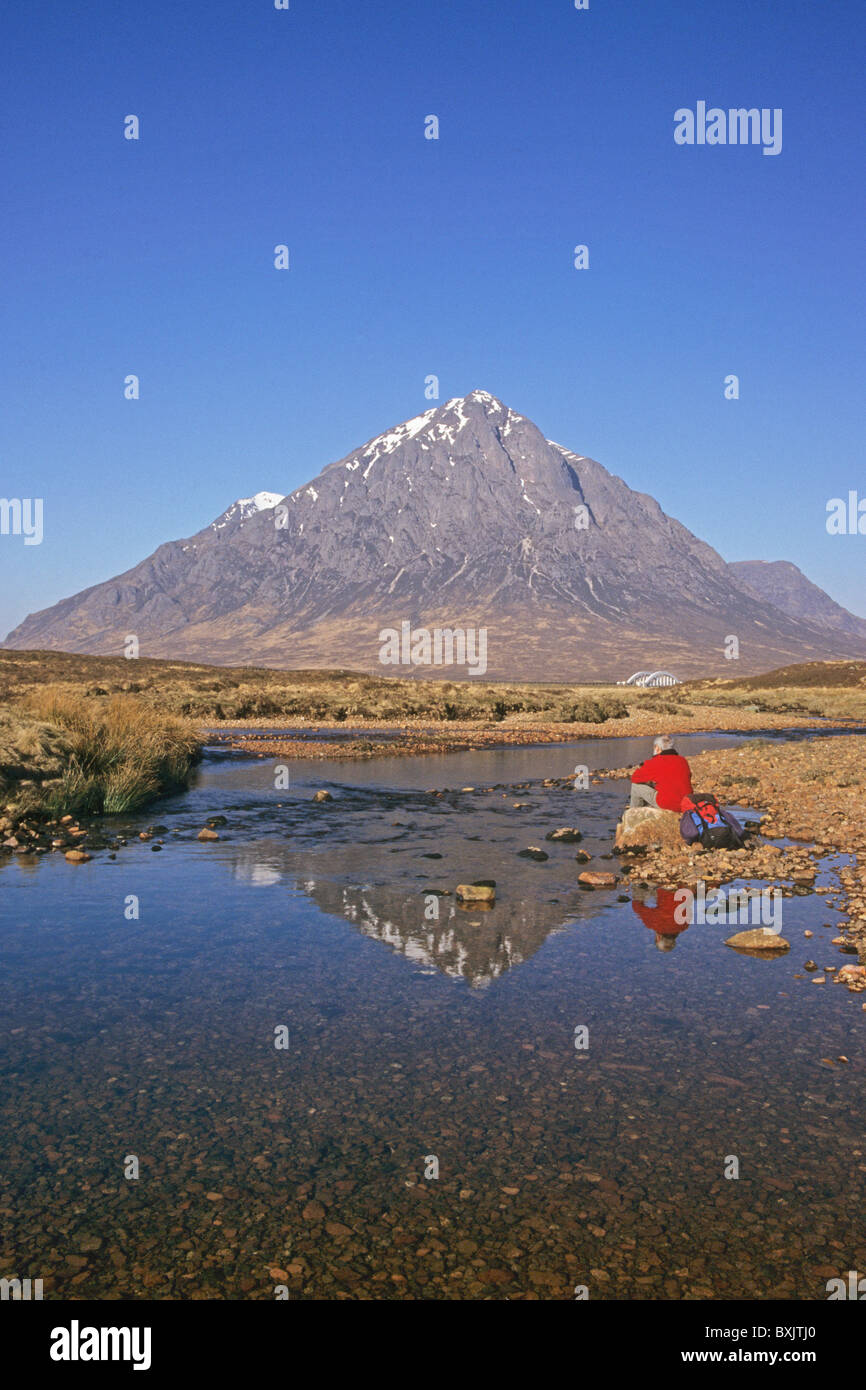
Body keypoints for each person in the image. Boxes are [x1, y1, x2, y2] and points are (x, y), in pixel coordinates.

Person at [629, 734, 693, 810]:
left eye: (654, 747)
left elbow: (635, 778)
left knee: (636, 787)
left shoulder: (656, 762)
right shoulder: (682, 760)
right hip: (686, 803)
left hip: (668, 804)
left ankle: (634, 814)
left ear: (657, 748)